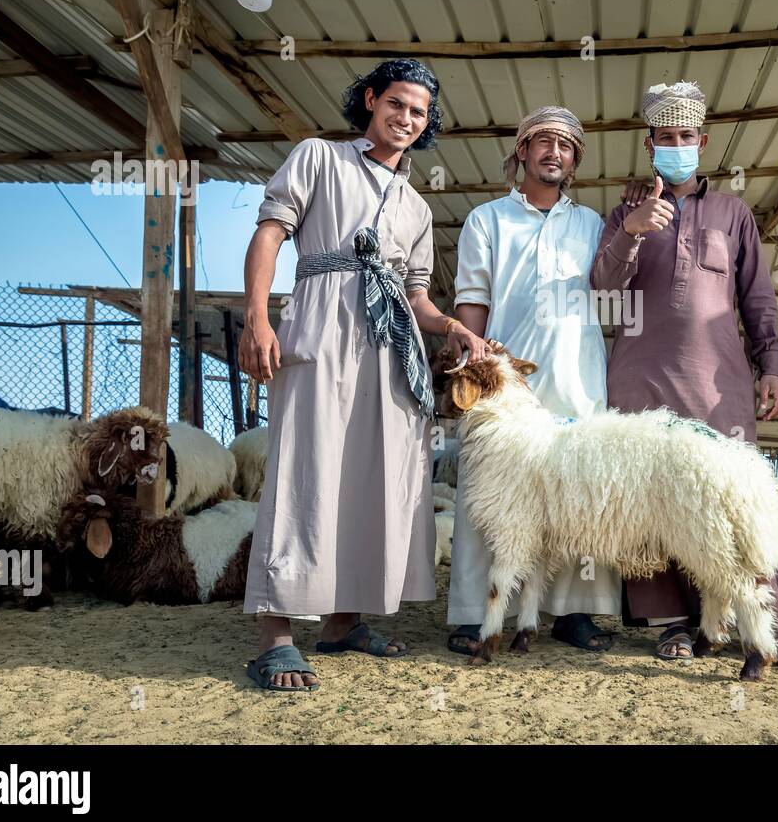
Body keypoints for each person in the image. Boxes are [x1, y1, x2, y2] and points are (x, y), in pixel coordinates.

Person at [238, 59, 488, 691]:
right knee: (306, 465)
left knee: (375, 473)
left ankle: (343, 622)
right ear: (371, 100)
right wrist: (258, 320)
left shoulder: (416, 207)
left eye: (420, 113)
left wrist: (452, 328)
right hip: (321, 324)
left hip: (389, 345)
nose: (406, 119)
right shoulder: (320, 157)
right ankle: (276, 635)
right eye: (397, 104)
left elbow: (418, 298)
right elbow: (269, 235)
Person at [590, 80, 778, 673]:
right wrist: (633, 228)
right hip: (640, 379)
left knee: (740, 498)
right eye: (665, 137)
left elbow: (758, 298)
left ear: (703, 141)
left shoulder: (734, 213)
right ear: (650, 144)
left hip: (720, 381)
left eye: (686, 136)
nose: (676, 145)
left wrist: (771, 365)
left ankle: (775, 625)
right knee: (650, 499)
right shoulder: (624, 212)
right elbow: (603, 289)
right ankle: (674, 623)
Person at [446, 106, 621, 655]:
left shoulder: (593, 223)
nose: (554, 153)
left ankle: (575, 614)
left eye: (565, 147)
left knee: (578, 494)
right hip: (505, 384)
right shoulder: (487, 219)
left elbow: (614, 287)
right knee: (490, 493)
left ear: (574, 161)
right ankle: (478, 612)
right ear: (522, 151)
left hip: (576, 374)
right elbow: (472, 298)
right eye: (543, 143)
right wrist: (470, 364)